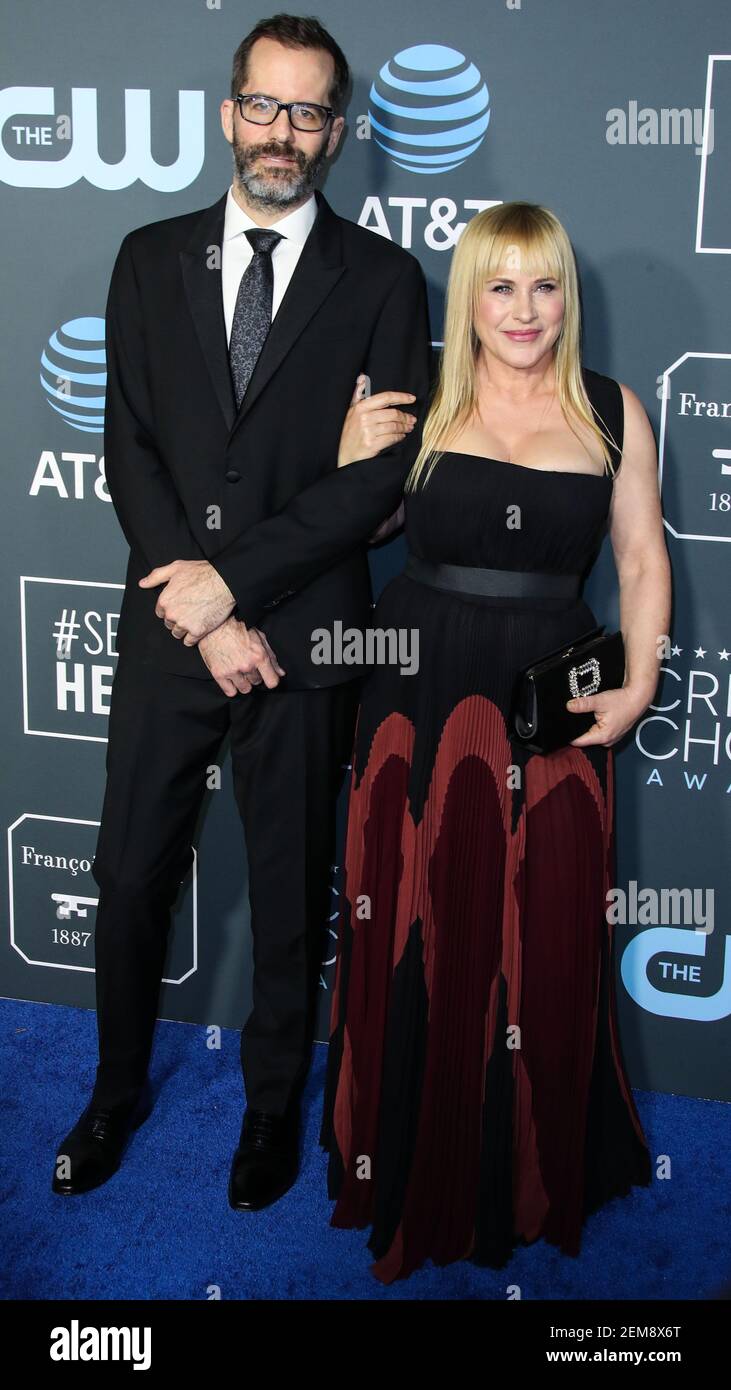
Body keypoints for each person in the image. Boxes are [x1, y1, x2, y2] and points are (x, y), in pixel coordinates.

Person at [52, 14, 430, 1209]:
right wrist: (206, 612)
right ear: (227, 114)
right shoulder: (145, 256)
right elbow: (132, 449)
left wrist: (243, 589)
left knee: (287, 883)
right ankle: (114, 1091)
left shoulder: (380, 279)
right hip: (177, 631)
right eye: (263, 106)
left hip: (307, 637)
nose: (283, 132)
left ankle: (272, 1111)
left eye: (309, 111)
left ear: (338, 130)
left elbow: (374, 481)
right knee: (128, 877)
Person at [319, 201, 671, 1283]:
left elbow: (641, 557)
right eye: (500, 286)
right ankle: (405, 1154)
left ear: (567, 295)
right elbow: (356, 527)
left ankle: (521, 1164)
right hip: (416, 684)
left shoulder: (611, 410)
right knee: (416, 914)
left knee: (541, 918)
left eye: (545, 284)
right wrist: (349, 454)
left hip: (549, 690)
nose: (525, 310)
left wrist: (640, 679)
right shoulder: (418, 404)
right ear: (468, 297)